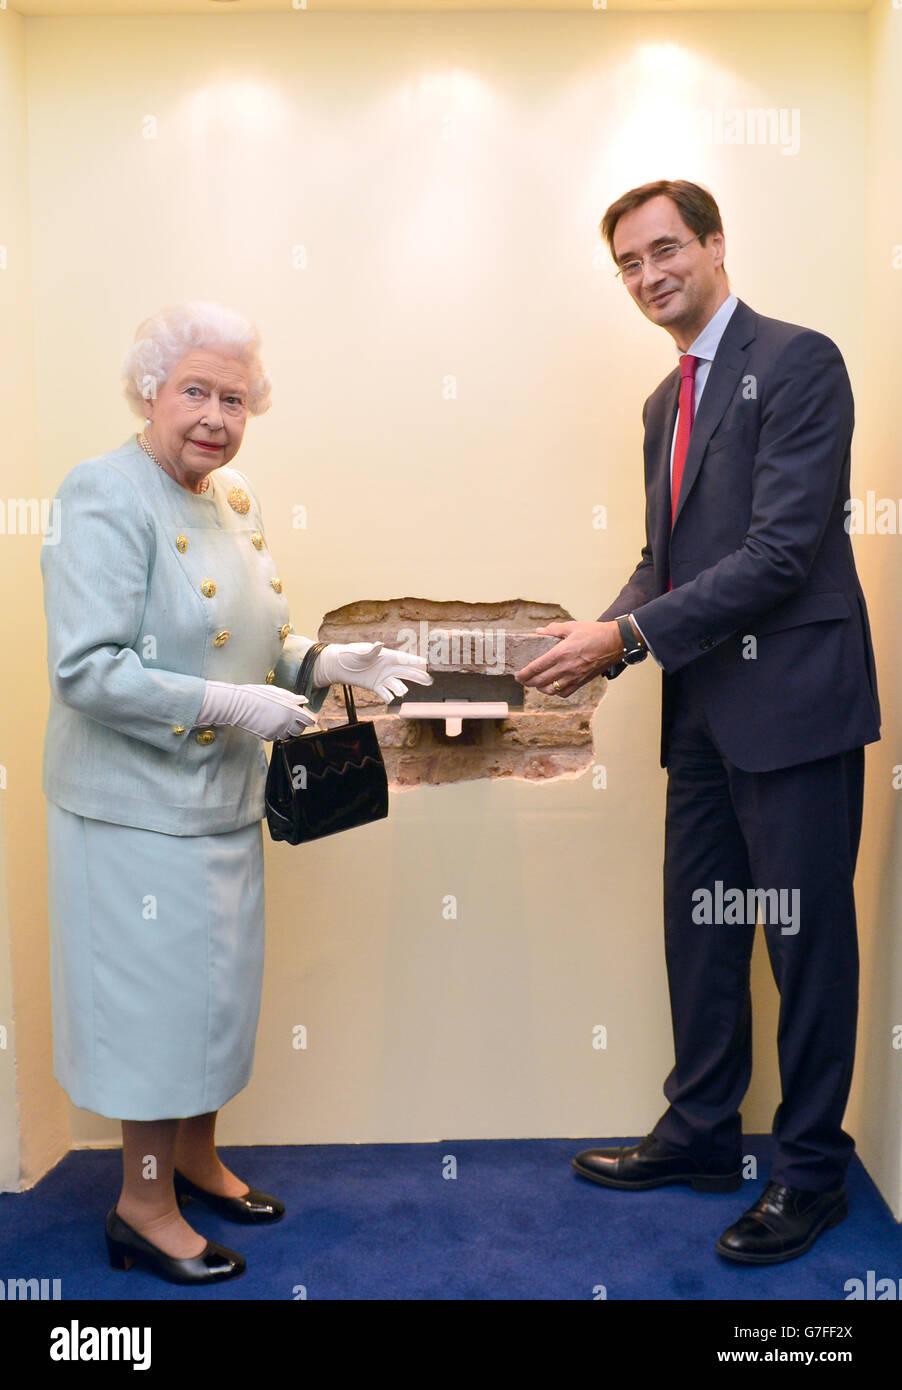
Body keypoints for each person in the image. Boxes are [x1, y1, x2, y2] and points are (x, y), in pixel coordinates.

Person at [515, 180, 880, 1264]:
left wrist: (624, 642)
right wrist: (602, 631)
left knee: (804, 944)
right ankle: (702, 1133)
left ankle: (809, 1172)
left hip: (796, 708)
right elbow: (663, 562)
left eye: (663, 249)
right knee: (702, 929)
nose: (646, 276)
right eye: (626, 264)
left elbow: (777, 553)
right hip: (702, 719)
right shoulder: (659, 405)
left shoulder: (800, 360)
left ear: (715, 245)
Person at [41, 300, 431, 1286]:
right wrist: (227, 702)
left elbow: (259, 638)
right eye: (195, 393)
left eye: (234, 397)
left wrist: (326, 659)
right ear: (148, 392)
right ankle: (141, 1203)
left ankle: (195, 1158)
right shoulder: (102, 492)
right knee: (152, 1017)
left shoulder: (234, 496)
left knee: (213, 1005)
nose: (216, 415)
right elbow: (85, 670)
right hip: (131, 811)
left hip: (217, 801)